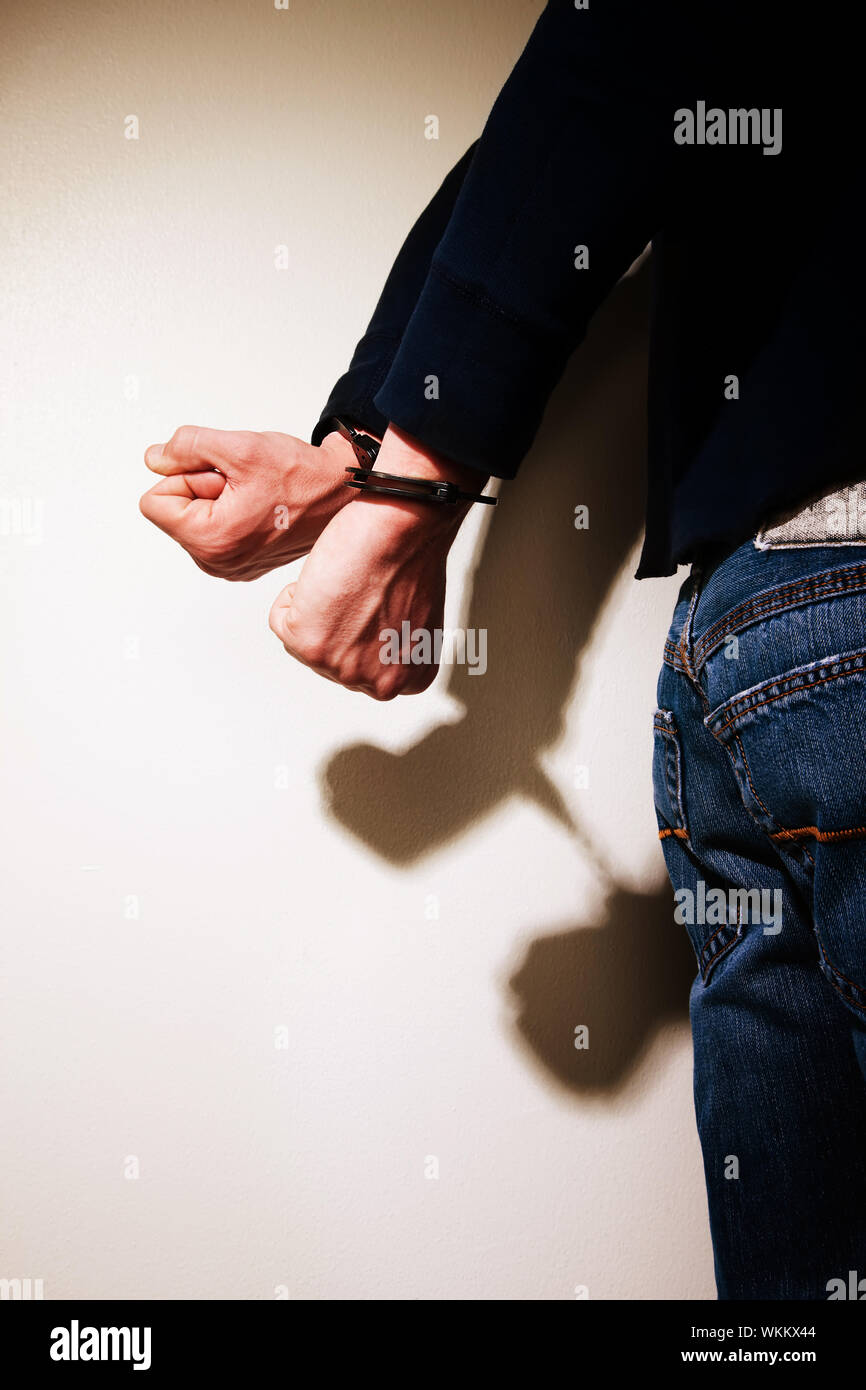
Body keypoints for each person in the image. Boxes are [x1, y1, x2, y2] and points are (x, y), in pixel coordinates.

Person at [139, 1, 866, 1298]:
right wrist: (368, 460)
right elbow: (612, 82)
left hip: (766, 615)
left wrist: (404, 479)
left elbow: (622, 65)